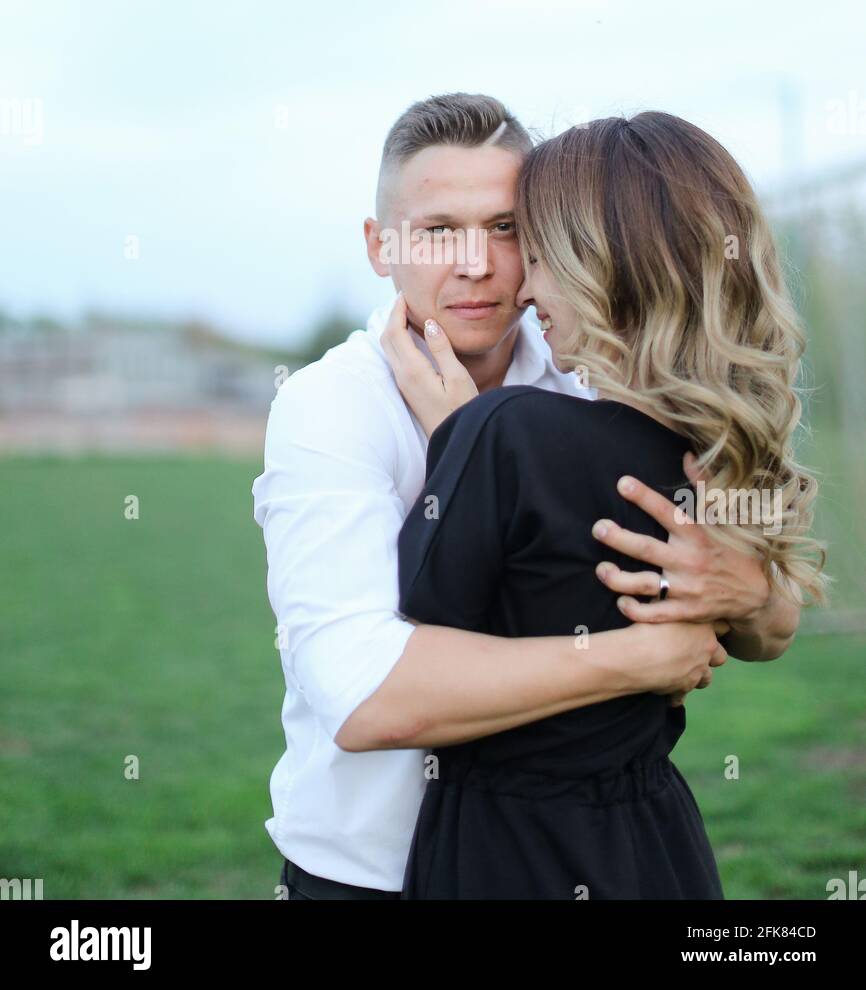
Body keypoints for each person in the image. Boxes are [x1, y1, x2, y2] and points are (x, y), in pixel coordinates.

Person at [253, 94, 796, 902]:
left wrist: (745, 588)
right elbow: (365, 695)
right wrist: (637, 658)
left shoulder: (599, 368)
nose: (476, 263)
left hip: (584, 853)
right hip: (375, 874)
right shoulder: (330, 406)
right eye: (439, 230)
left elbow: (772, 628)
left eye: (506, 228)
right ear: (380, 246)